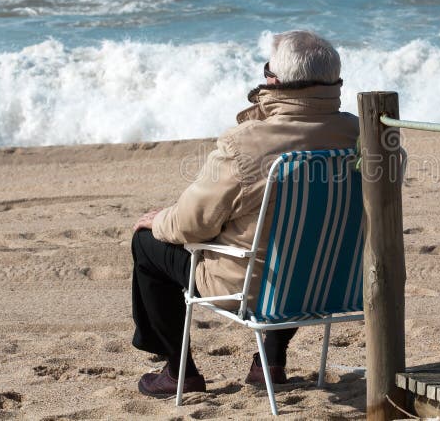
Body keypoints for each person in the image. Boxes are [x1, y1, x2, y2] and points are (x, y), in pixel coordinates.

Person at [130, 30, 359, 398]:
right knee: (303, 238)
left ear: (274, 81)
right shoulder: (364, 136)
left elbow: (192, 223)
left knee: (146, 244)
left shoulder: (245, 144)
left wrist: (158, 220)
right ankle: (271, 361)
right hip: (334, 282)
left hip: (253, 291)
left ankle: (179, 371)